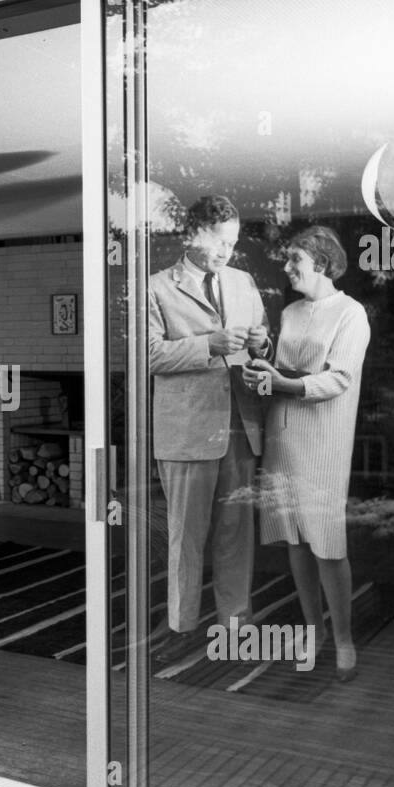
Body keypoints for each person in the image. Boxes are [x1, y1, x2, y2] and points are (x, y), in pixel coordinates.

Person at [148, 195, 273, 665]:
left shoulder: (242, 282)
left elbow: (259, 337)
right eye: (221, 242)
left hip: (240, 425)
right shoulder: (156, 287)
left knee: (236, 530)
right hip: (185, 431)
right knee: (186, 535)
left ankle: (234, 624)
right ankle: (181, 626)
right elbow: (148, 356)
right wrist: (209, 345)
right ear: (193, 235)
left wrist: (262, 340)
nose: (227, 252)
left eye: (233, 243)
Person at [242, 225, 371, 681]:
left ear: (320, 262)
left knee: (327, 541)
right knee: (295, 537)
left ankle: (344, 640)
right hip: (283, 434)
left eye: (295, 259)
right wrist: (264, 357)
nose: (287, 267)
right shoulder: (292, 311)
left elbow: (339, 378)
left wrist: (285, 383)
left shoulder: (351, 314)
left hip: (323, 439)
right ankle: (313, 630)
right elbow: (286, 361)